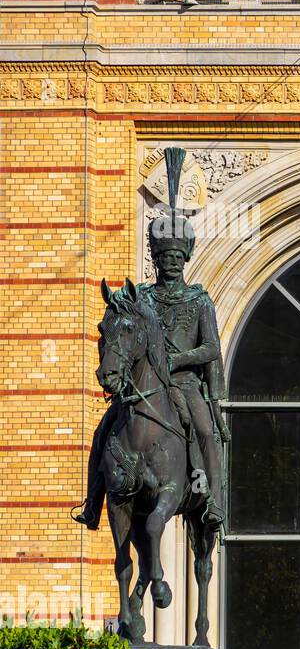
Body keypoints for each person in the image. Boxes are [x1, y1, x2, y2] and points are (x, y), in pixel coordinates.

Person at [75, 211, 229, 531]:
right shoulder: (142, 296)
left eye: (175, 256)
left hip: (184, 382)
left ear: (184, 258)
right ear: (156, 260)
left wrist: (178, 360)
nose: (170, 262)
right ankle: (93, 502)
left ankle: (213, 499)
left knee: (204, 430)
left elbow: (211, 347)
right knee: (103, 430)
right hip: (144, 384)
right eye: (163, 257)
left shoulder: (199, 300)